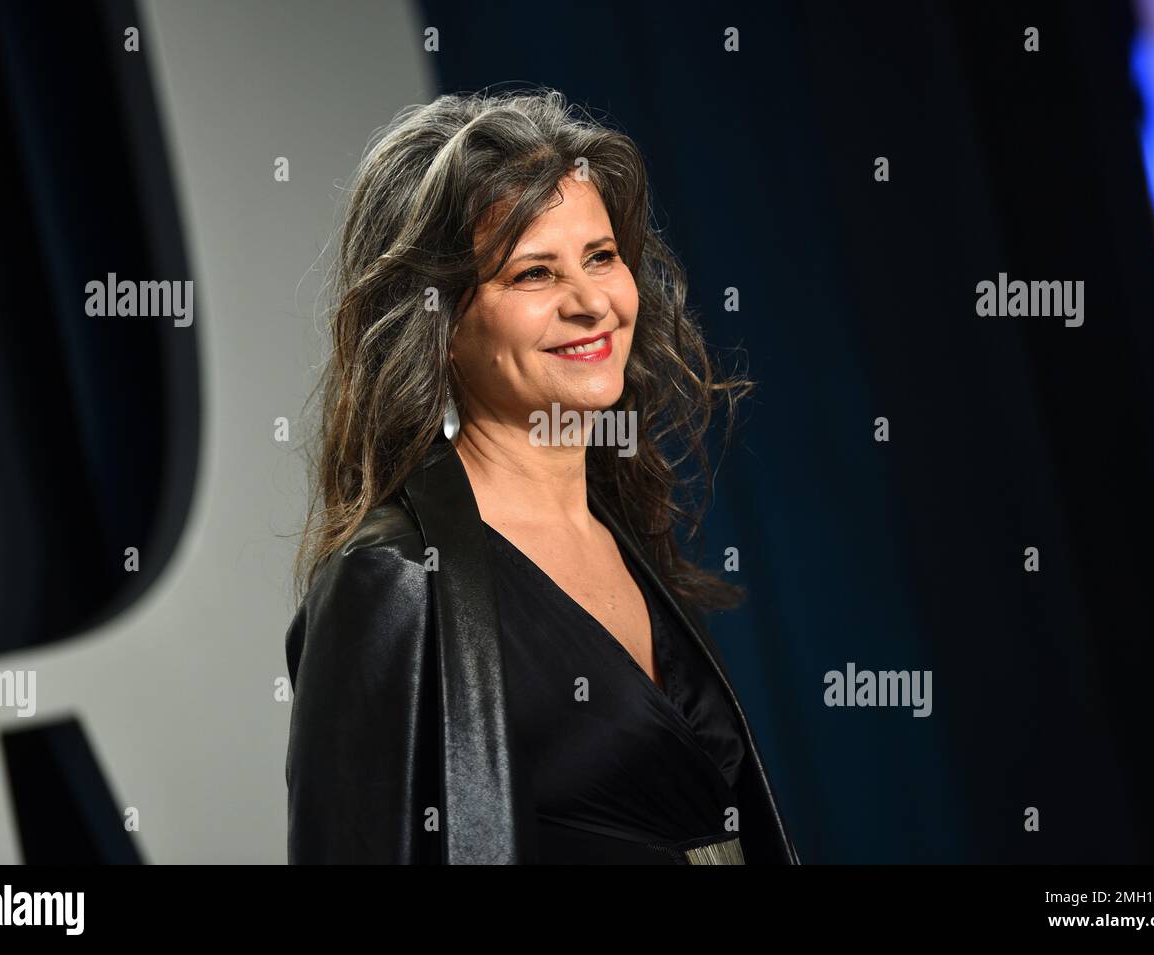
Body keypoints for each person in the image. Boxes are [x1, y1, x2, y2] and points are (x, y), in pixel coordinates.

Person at [285, 87, 799, 864]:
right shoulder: (389, 578)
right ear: (444, 322)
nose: (590, 302)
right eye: (533, 274)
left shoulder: (617, 526)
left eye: (600, 257)